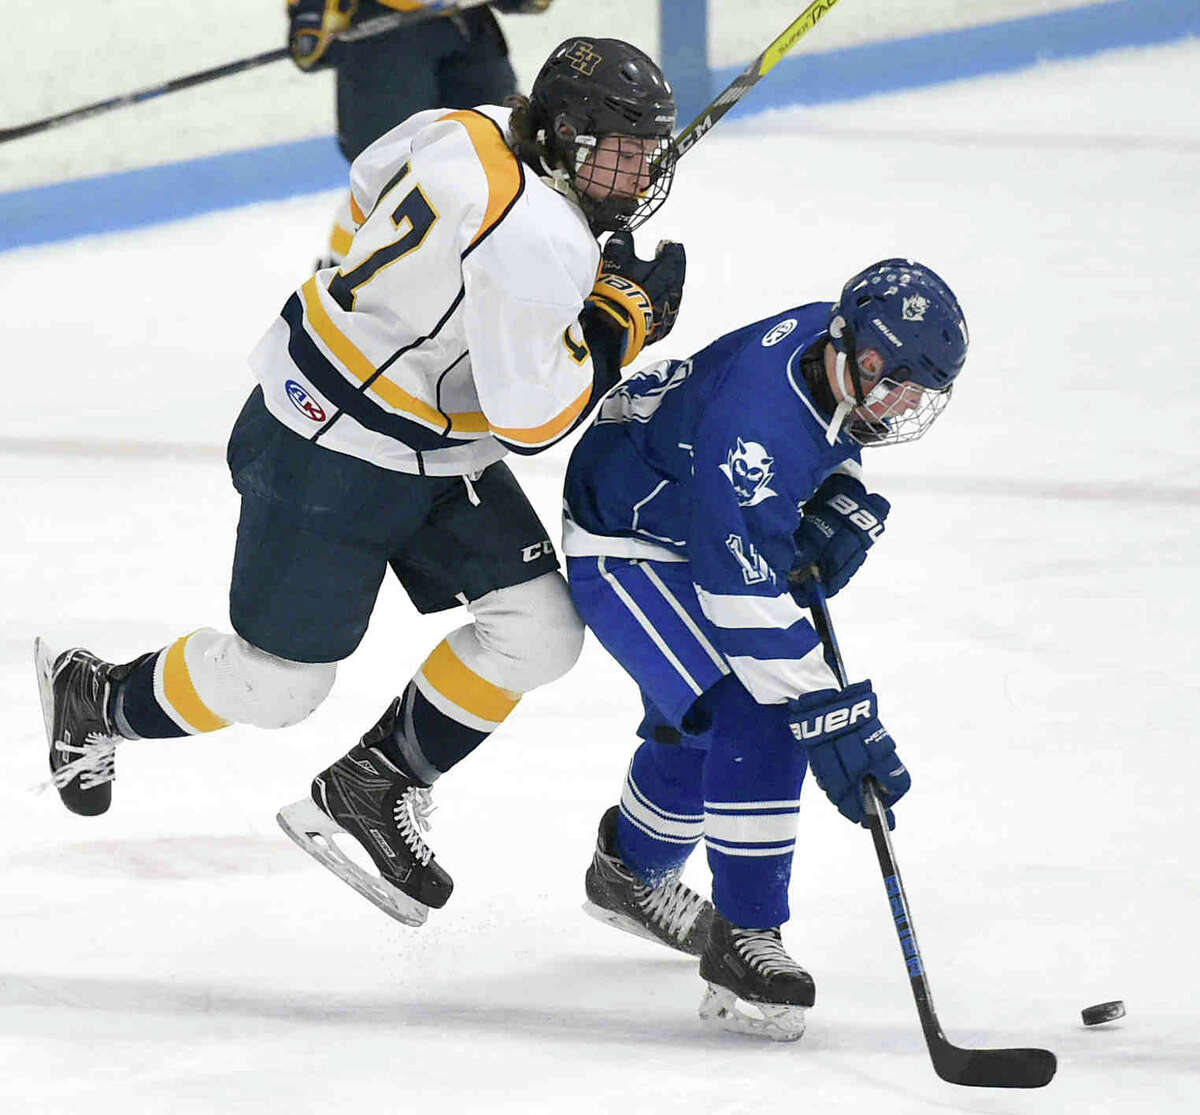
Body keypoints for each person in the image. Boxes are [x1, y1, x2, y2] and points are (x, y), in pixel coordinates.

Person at [35, 37, 686, 931]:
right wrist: (618, 322)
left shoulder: (470, 126)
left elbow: (365, 192)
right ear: (568, 133)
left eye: (649, 149)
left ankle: (376, 782)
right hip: (325, 452)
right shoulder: (540, 236)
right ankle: (97, 696)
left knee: (539, 629)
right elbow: (534, 419)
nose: (641, 170)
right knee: (282, 686)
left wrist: (402, 320)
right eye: (623, 148)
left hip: (426, 442)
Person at [561, 259, 969, 1040]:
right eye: (894, 383)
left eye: (915, 392)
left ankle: (628, 872)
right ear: (858, 349)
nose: (899, 405)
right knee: (758, 708)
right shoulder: (756, 420)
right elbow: (740, 597)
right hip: (627, 537)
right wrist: (833, 714)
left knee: (708, 713)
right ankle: (746, 938)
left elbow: (822, 439)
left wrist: (839, 488)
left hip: (689, 508)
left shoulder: (835, 347)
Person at [286, 0, 554, 267]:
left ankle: (500, 274)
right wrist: (308, 9)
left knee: (502, 151)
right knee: (390, 174)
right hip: (381, 30)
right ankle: (345, 280)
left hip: (467, 22)